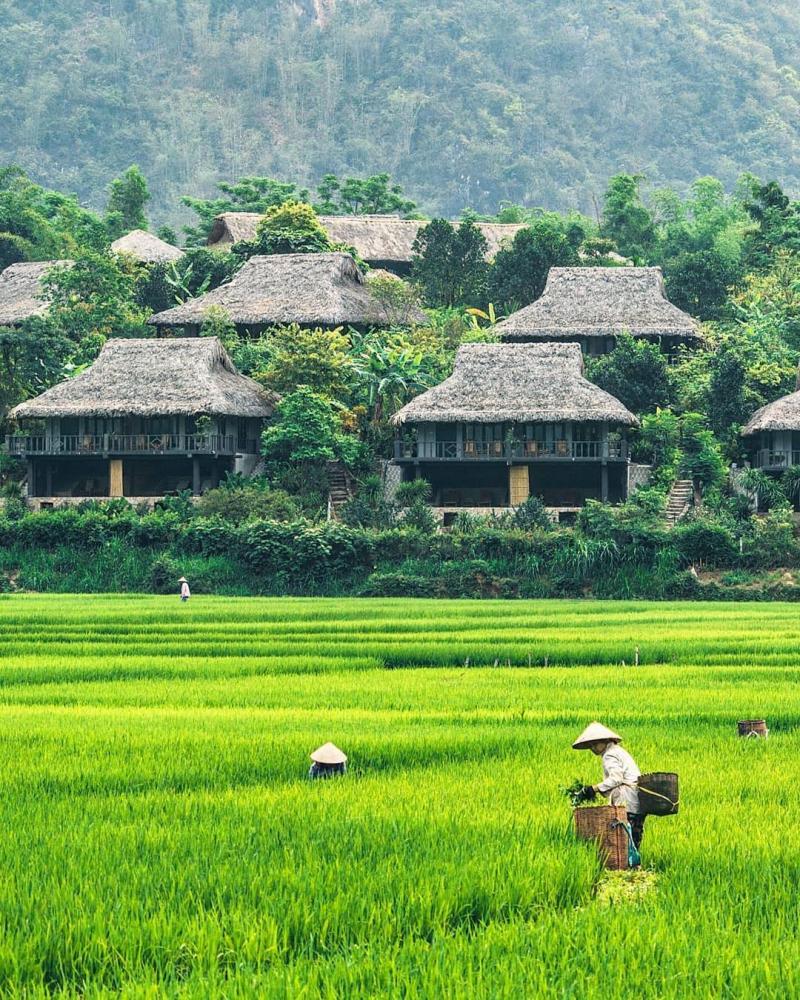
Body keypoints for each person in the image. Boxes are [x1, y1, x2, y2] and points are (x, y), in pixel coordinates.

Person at [572, 721, 646, 852]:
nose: (593, 748)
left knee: (625, 837)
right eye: (590, 745)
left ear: (605, 740)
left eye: (595, 744)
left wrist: (593, 788)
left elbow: (616, 778)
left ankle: (628, 867)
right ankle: (633, 866)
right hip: (636, 799)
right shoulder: (618, 751)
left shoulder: (609, 755)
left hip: (627, 800)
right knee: (633, 836)